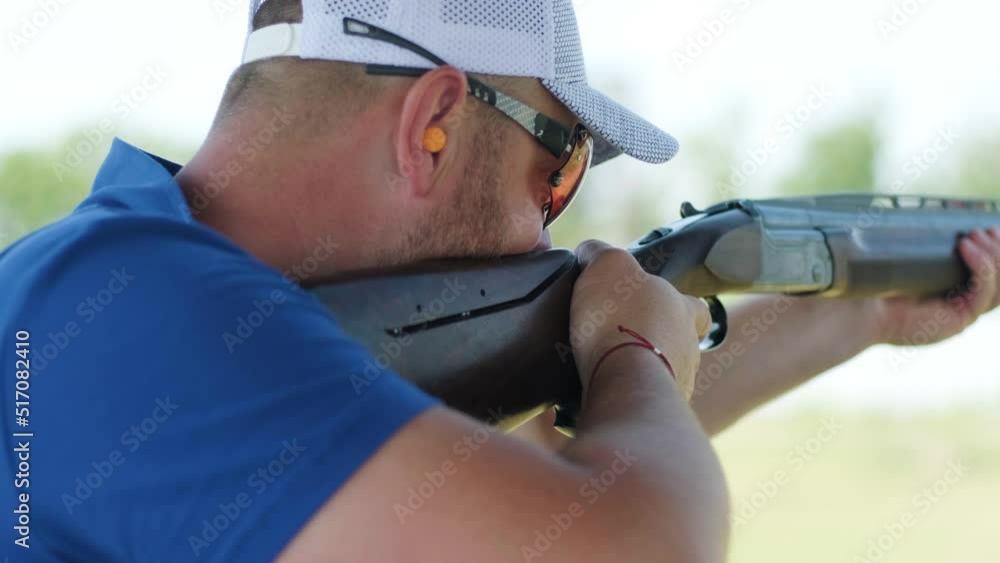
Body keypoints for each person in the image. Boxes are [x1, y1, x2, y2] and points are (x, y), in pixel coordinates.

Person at [2, 0, 998, 561]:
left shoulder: (151, 303)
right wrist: (632, 345)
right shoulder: (126, 301)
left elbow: (548, 467)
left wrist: (860, 307)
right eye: (556, 166)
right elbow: (628, 538)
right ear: (428, 126)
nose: (545, 225)